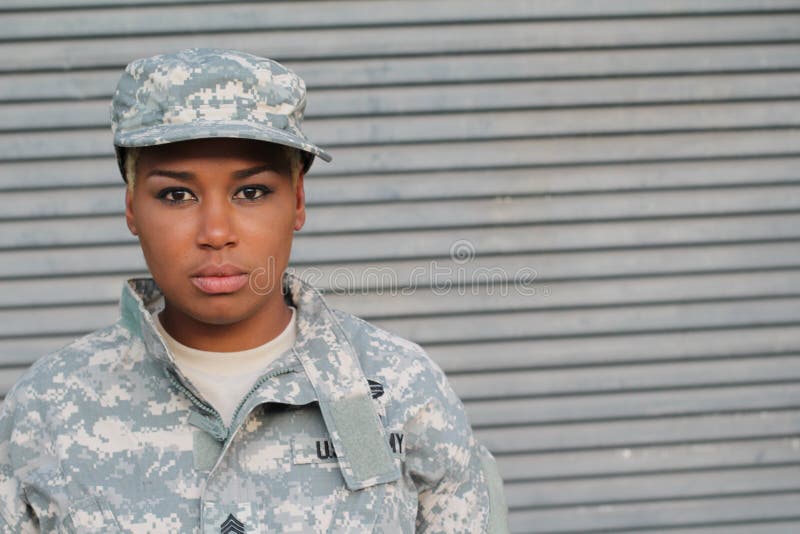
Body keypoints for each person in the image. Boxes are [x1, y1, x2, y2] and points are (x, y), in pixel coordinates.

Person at [0, 48, 509, 533]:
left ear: (298, 201)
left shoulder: (402, 390)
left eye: (251, 192)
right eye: (176, 195)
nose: (216, 232)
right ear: (132, 208)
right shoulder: (45, 410)